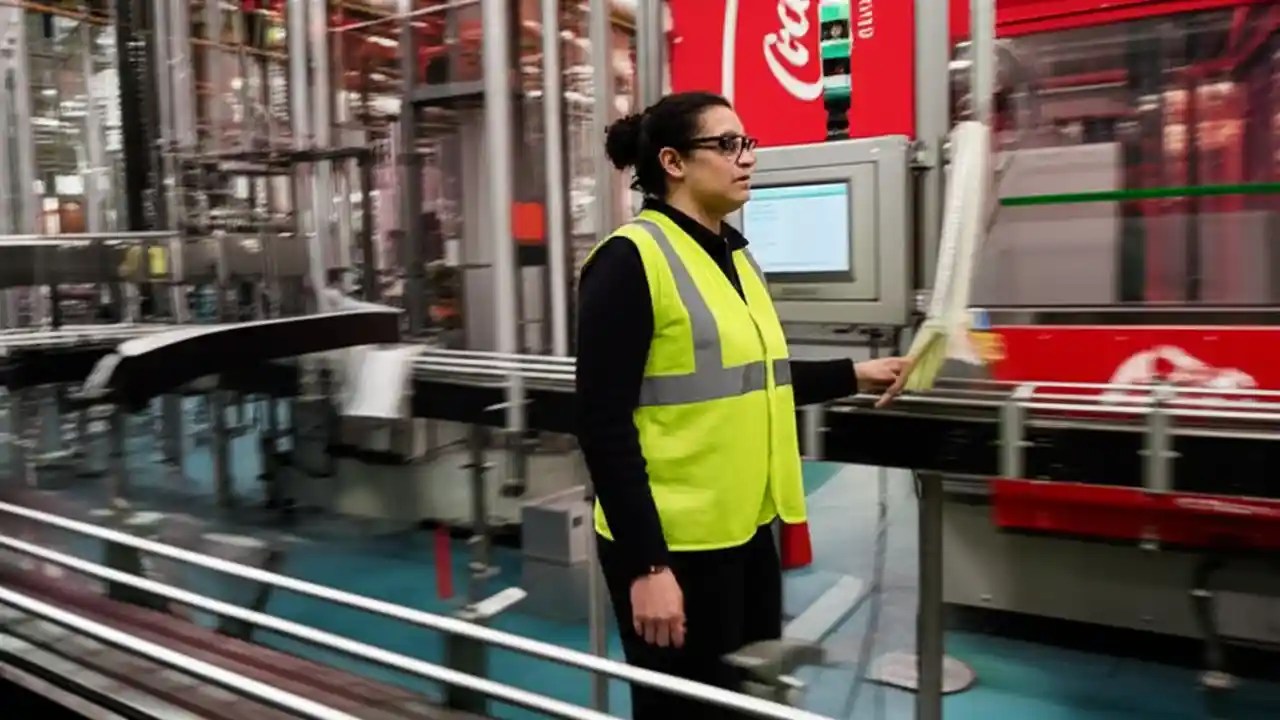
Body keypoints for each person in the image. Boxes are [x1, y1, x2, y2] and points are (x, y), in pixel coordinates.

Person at [574, 91, 911, 718]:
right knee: (684, 710)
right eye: (727, 144)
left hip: (746, 530)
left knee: (745, 704)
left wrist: (855, 374)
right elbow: (601, 424)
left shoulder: (734, 255)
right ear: (673, 162)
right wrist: (650, 566)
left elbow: (756, 375)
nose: (746, 158)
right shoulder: (629, 261)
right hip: (671, 545)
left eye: (747, 143)